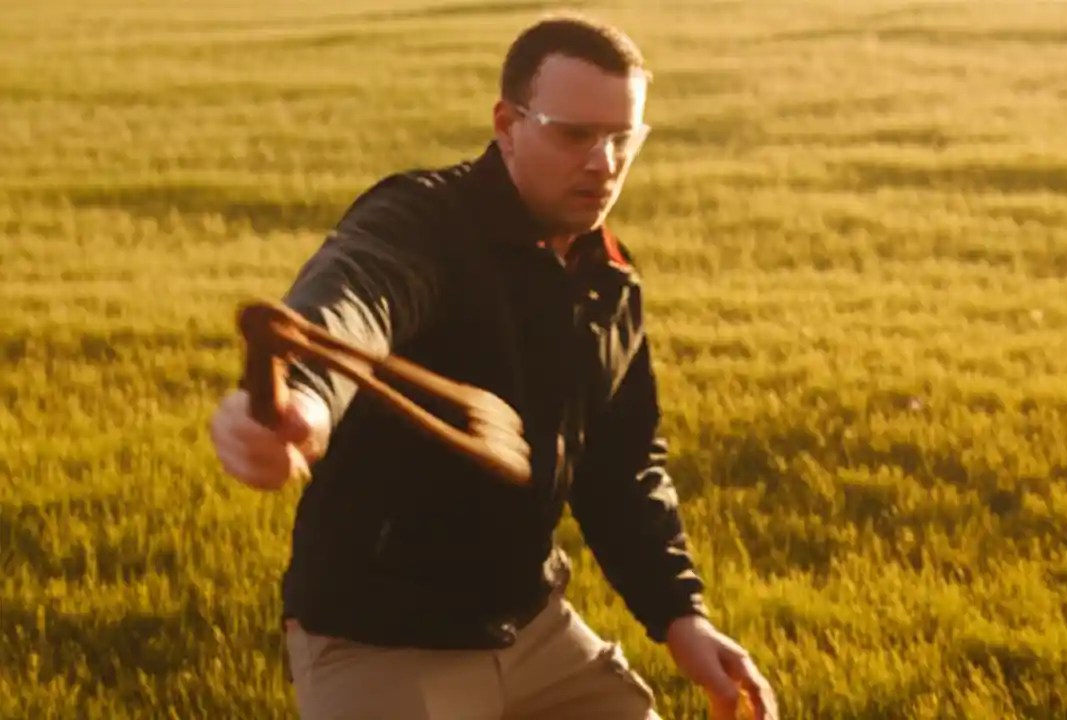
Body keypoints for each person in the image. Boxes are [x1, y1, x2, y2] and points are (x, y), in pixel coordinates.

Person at [209, 14, 777, 720]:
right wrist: (302, 403)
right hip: (382, 640)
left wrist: (679, 614)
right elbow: (356, 294)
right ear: (508, 124)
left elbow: (622, 464)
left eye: (622, 137)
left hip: (533, 629)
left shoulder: (606, 275)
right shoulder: (423, 221)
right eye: (574, 135)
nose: (604, 163)